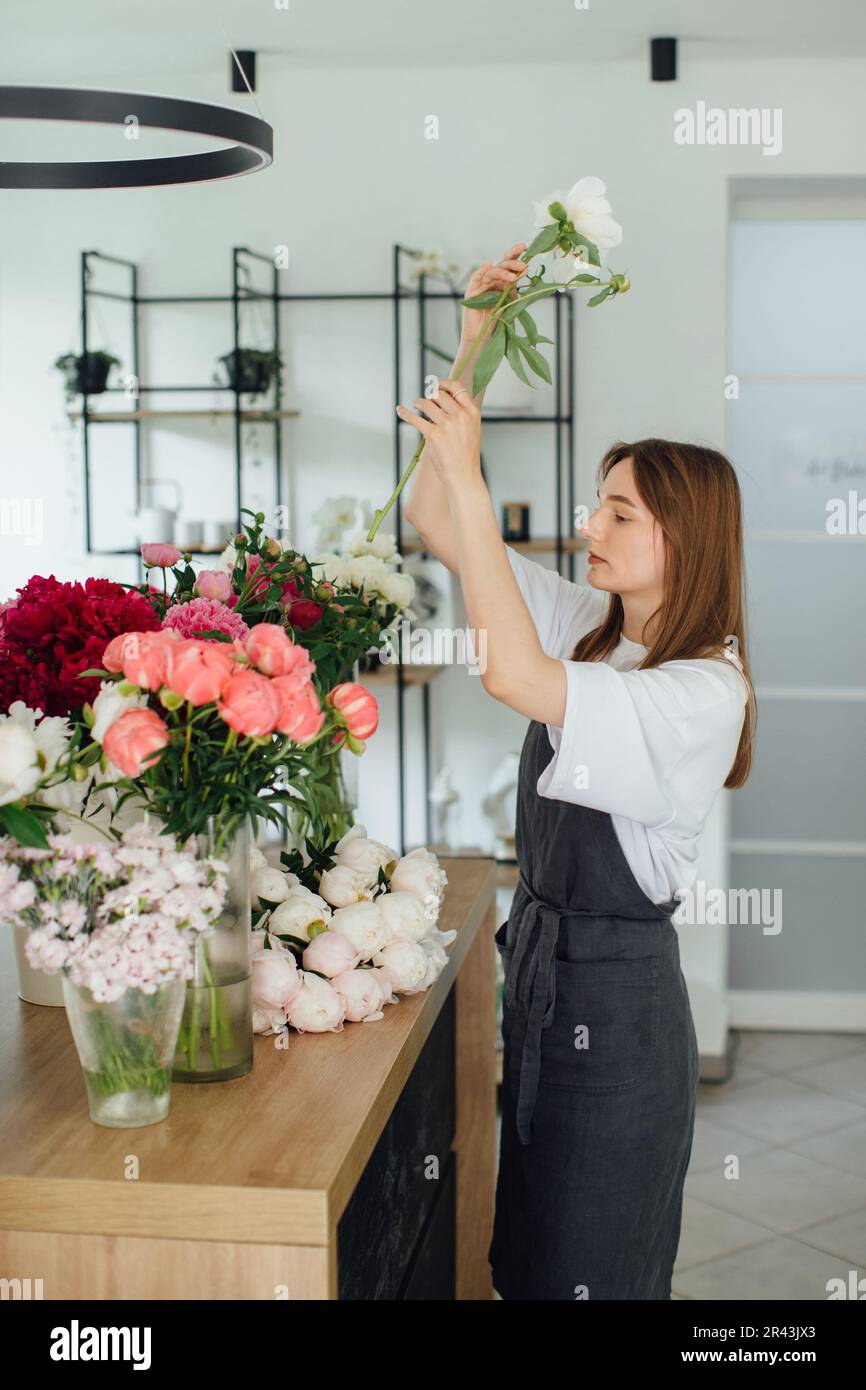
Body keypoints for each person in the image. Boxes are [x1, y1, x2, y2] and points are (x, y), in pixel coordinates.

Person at [401, 245, 756, 1301]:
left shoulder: (704, 689)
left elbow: (509, 673)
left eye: (617, 515)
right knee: (529, 1265)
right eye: (595, 506)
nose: (586, 527)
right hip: (545, 992)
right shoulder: (594, 626)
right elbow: (433, 523)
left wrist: (474, 473)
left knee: (590, 1274)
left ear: (681, 537)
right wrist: (475, 339)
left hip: (621, 1021)